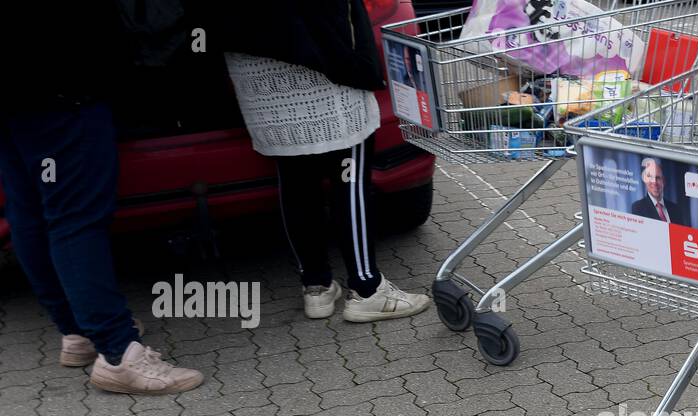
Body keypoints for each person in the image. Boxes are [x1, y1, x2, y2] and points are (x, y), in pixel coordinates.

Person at [0, 4, 204, 395]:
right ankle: (118, 353)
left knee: (29, 210)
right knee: (75, 219)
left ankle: (77, 331)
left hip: (17, 90)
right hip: (60, 83)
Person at [203, 0, 430, 323]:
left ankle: (316, 286)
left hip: (257, 72)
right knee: (349, 177)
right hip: (325, 63)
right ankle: (368, 289)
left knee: (295, 178)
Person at [630, 158, 689, 225]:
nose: (654, 182)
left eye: (658, 178)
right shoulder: (638, 208)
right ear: (645, 181)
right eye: (650, 177)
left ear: (663, 181)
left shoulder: (676, 209)